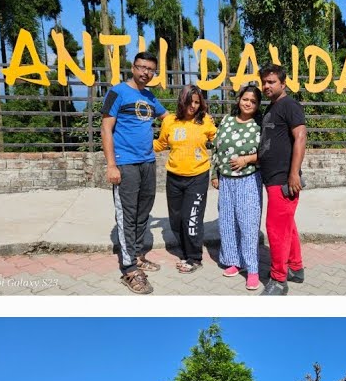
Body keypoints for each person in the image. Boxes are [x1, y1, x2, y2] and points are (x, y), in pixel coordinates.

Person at [101, 52, 167, 294]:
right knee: (127, 215)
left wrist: (197, 120)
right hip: (125, 163)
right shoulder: (117, 92)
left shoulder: (149, 96)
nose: (145, 72)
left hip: (147, 162)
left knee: (143, 213)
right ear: (133, 67)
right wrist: (111, 165)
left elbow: (167, 117)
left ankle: (138, 256)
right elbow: (106, 129)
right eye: (141, 67)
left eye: (150, 69)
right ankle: (129, 269)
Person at [257, 64, 308, 296]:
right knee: (287, 226)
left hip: (283, 179)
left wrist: (293, 173)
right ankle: (295, 268)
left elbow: (300, 136)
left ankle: (278, 280)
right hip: (273, 178)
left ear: (283, 84)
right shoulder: (272, 107)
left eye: (271, 82)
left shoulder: (289, 104)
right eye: (264, 82)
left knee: (275, 228)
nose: (266, 86)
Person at [154, 85, 216, 274]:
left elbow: (219, 139)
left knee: (192, 219)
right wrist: (137, 145)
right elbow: (160, 144)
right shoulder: (170, 122)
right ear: (182, 100)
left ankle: (194, 257)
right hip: (174, 177)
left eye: (198, 102)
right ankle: (184, 252)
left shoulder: (204, 120)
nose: (194, 106)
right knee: (176, 219)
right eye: (190, 101)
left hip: (197, 177)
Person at [211, 85, 265, 290]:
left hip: (248, 179)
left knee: (248, 224)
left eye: (253, 101)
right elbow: (216, 148)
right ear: (239, 99)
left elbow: (268, 152)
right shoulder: (226, 120)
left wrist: (247, 160)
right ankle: (234, 261)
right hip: (225, 180)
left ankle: (252, 269)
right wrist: (214, 174)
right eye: (245, 99)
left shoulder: (260, 124)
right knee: (227, 222)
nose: (248, 103)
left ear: (257, 105)